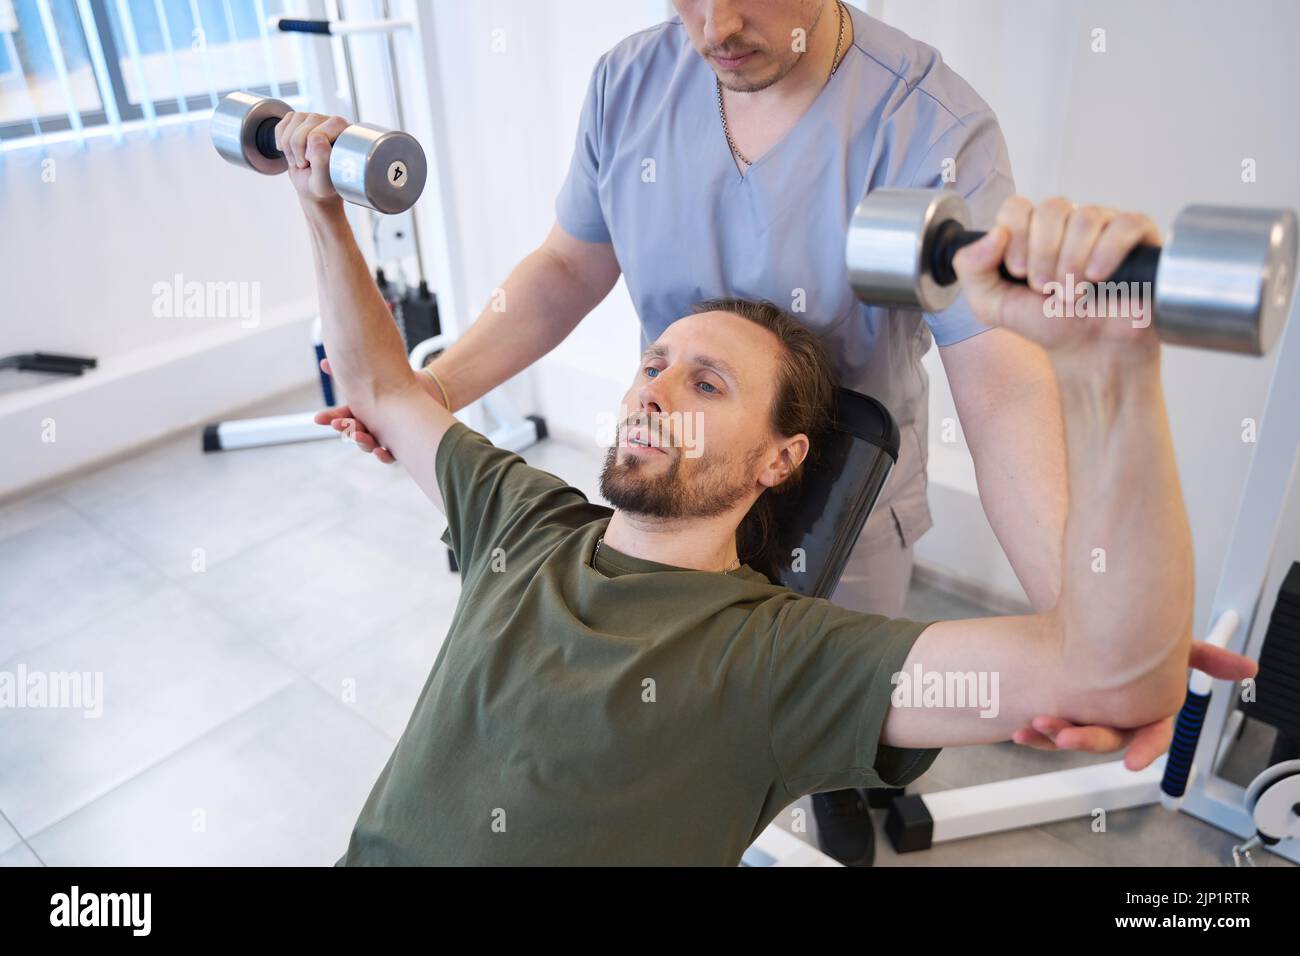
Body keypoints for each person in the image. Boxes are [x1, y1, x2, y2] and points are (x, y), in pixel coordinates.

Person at [307, 2, 1253, 863]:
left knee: (815, 721)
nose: (715, 26)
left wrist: (1079, 608)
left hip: (842, 503)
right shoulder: (527, 521)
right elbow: (558, 271)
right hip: (682, 502)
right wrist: (426, 391)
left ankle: (838, 782)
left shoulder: (923, 122)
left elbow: (1001, 390)